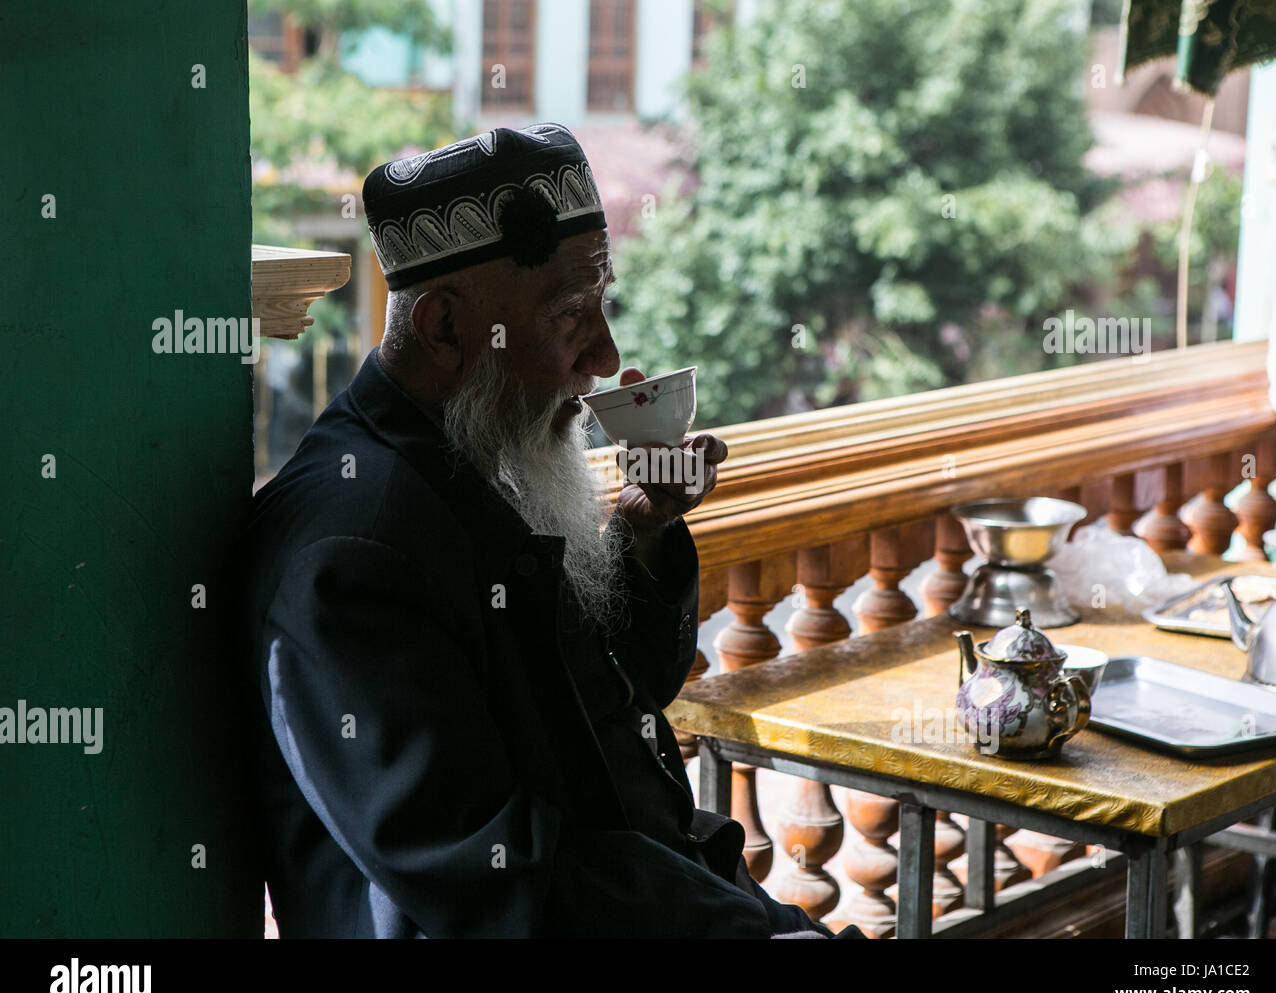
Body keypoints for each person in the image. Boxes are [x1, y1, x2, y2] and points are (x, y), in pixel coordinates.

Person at [232, 123, 862, 939]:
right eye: (571, 317)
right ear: (447, 329)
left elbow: (610, 704)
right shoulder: (353, 550)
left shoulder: (478, 449)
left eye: (602, 307)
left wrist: (638, 534)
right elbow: (492, 876)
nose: (604, 355)